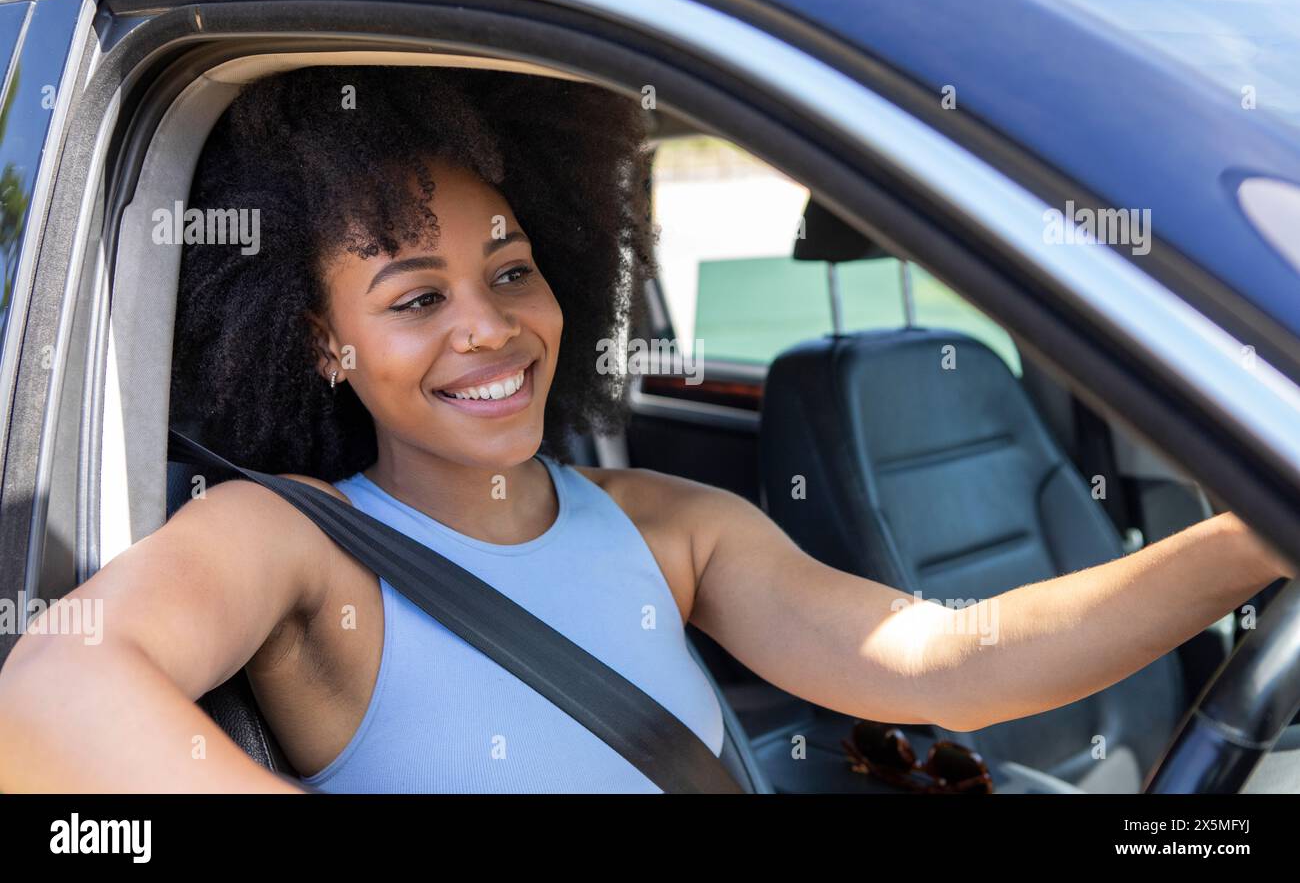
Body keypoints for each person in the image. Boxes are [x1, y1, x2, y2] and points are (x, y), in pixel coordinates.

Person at [0, 66, 1289, 792]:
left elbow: (953, 659)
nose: (488, 329)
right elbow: (48, 690)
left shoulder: (668, 529)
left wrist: (1256, 536)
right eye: (415, 299)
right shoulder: (288, 542)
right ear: (324, 343)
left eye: (511, 271)